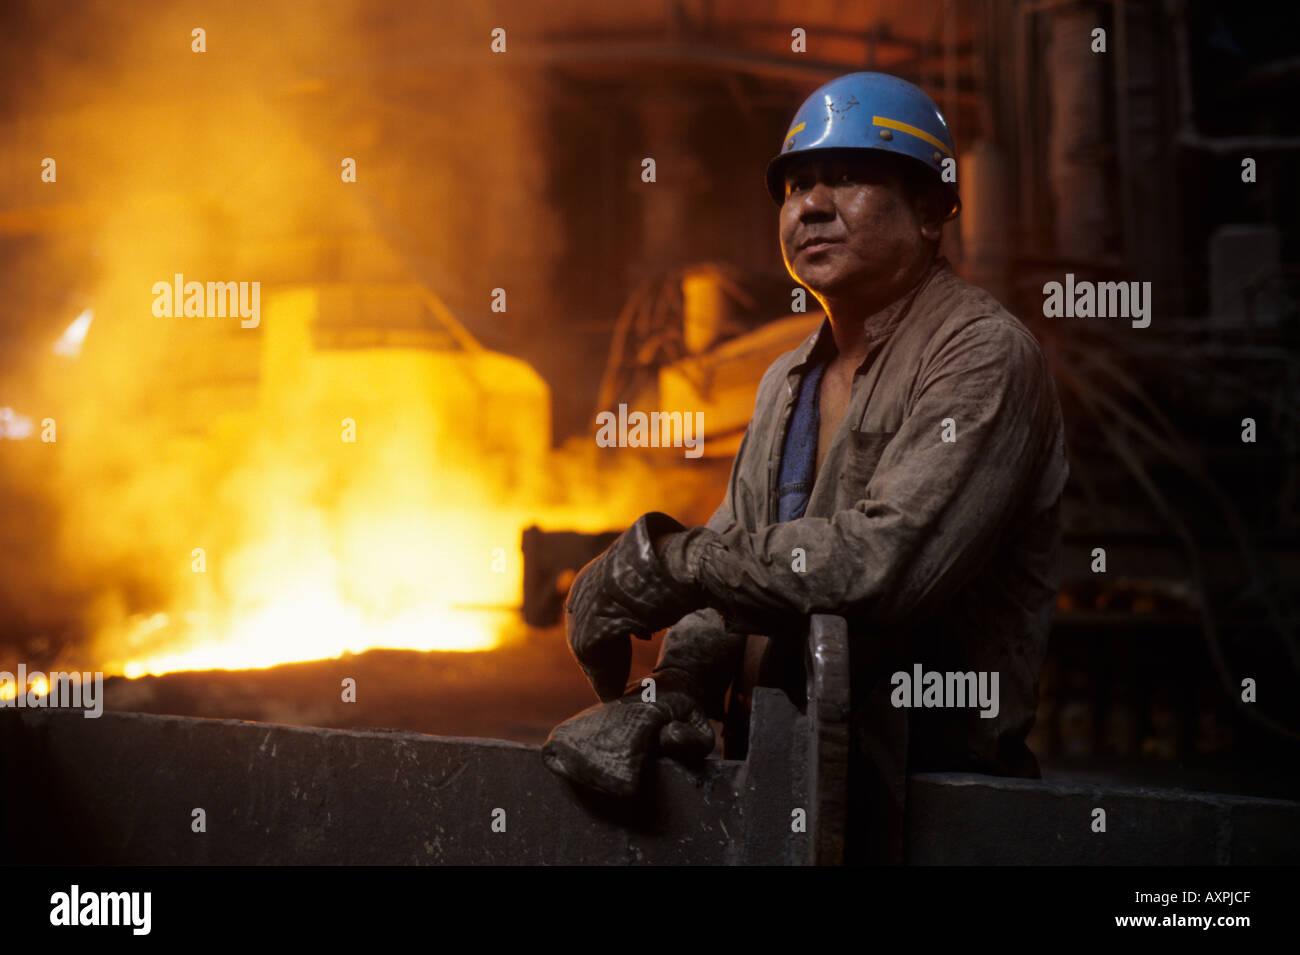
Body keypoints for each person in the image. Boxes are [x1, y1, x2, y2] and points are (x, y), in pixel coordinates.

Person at [542, 72, 1069, 863]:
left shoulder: (982, 354)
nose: (811, 205)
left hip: (937, 808)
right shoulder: (787, 378)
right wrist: (674, 687)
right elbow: (737, 552)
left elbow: (884, 567)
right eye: (795, 185)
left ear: (930, 212)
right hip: (783, 784)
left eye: (849, 177)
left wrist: (666, 560)